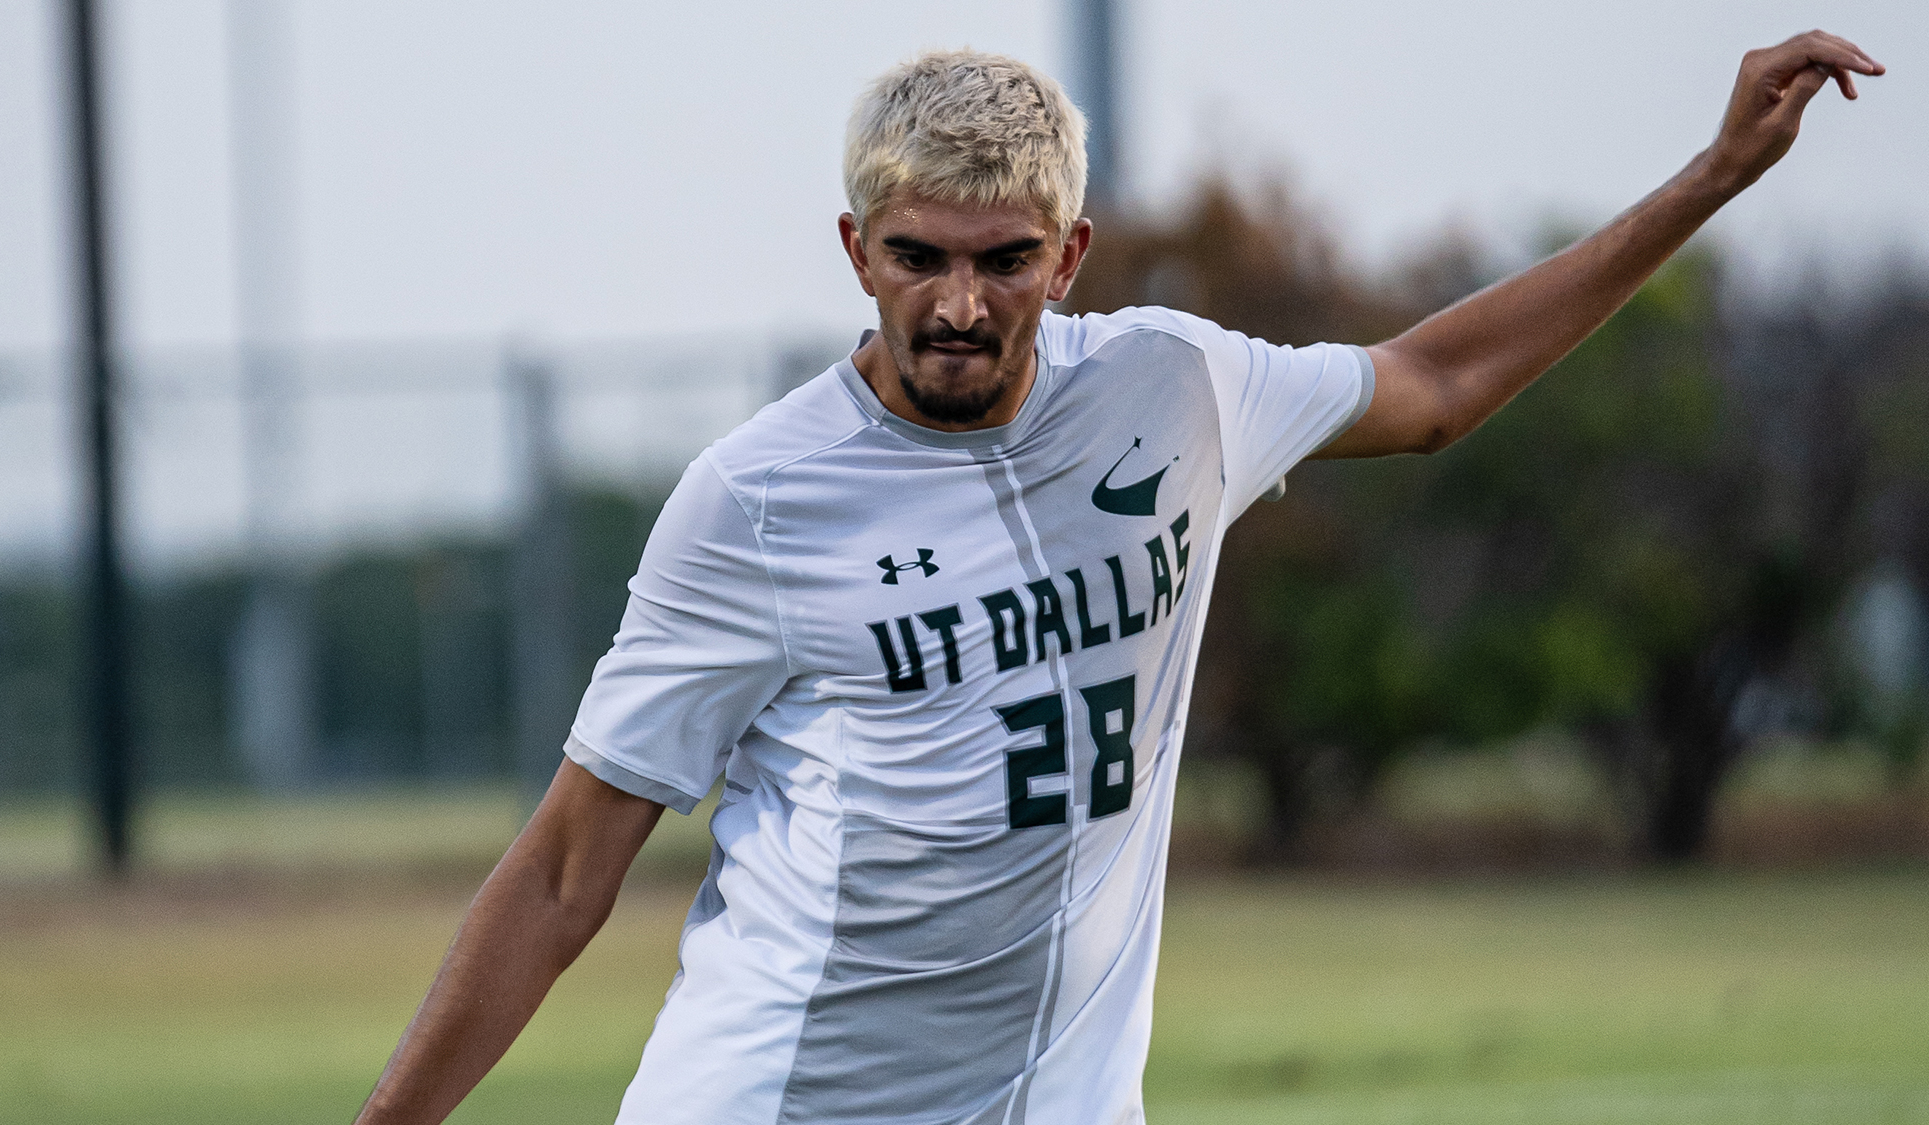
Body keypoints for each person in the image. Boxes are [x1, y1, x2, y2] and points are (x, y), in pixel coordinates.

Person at [355, 31, 1882, 1125]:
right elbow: (566, 867)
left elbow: (1434, 385)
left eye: (1004, 259)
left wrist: (1715, 174)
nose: (958, 302)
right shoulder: (752, 502)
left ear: (1071, 252)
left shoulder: (1176, 388)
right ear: (854, 248)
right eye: (917, 256)